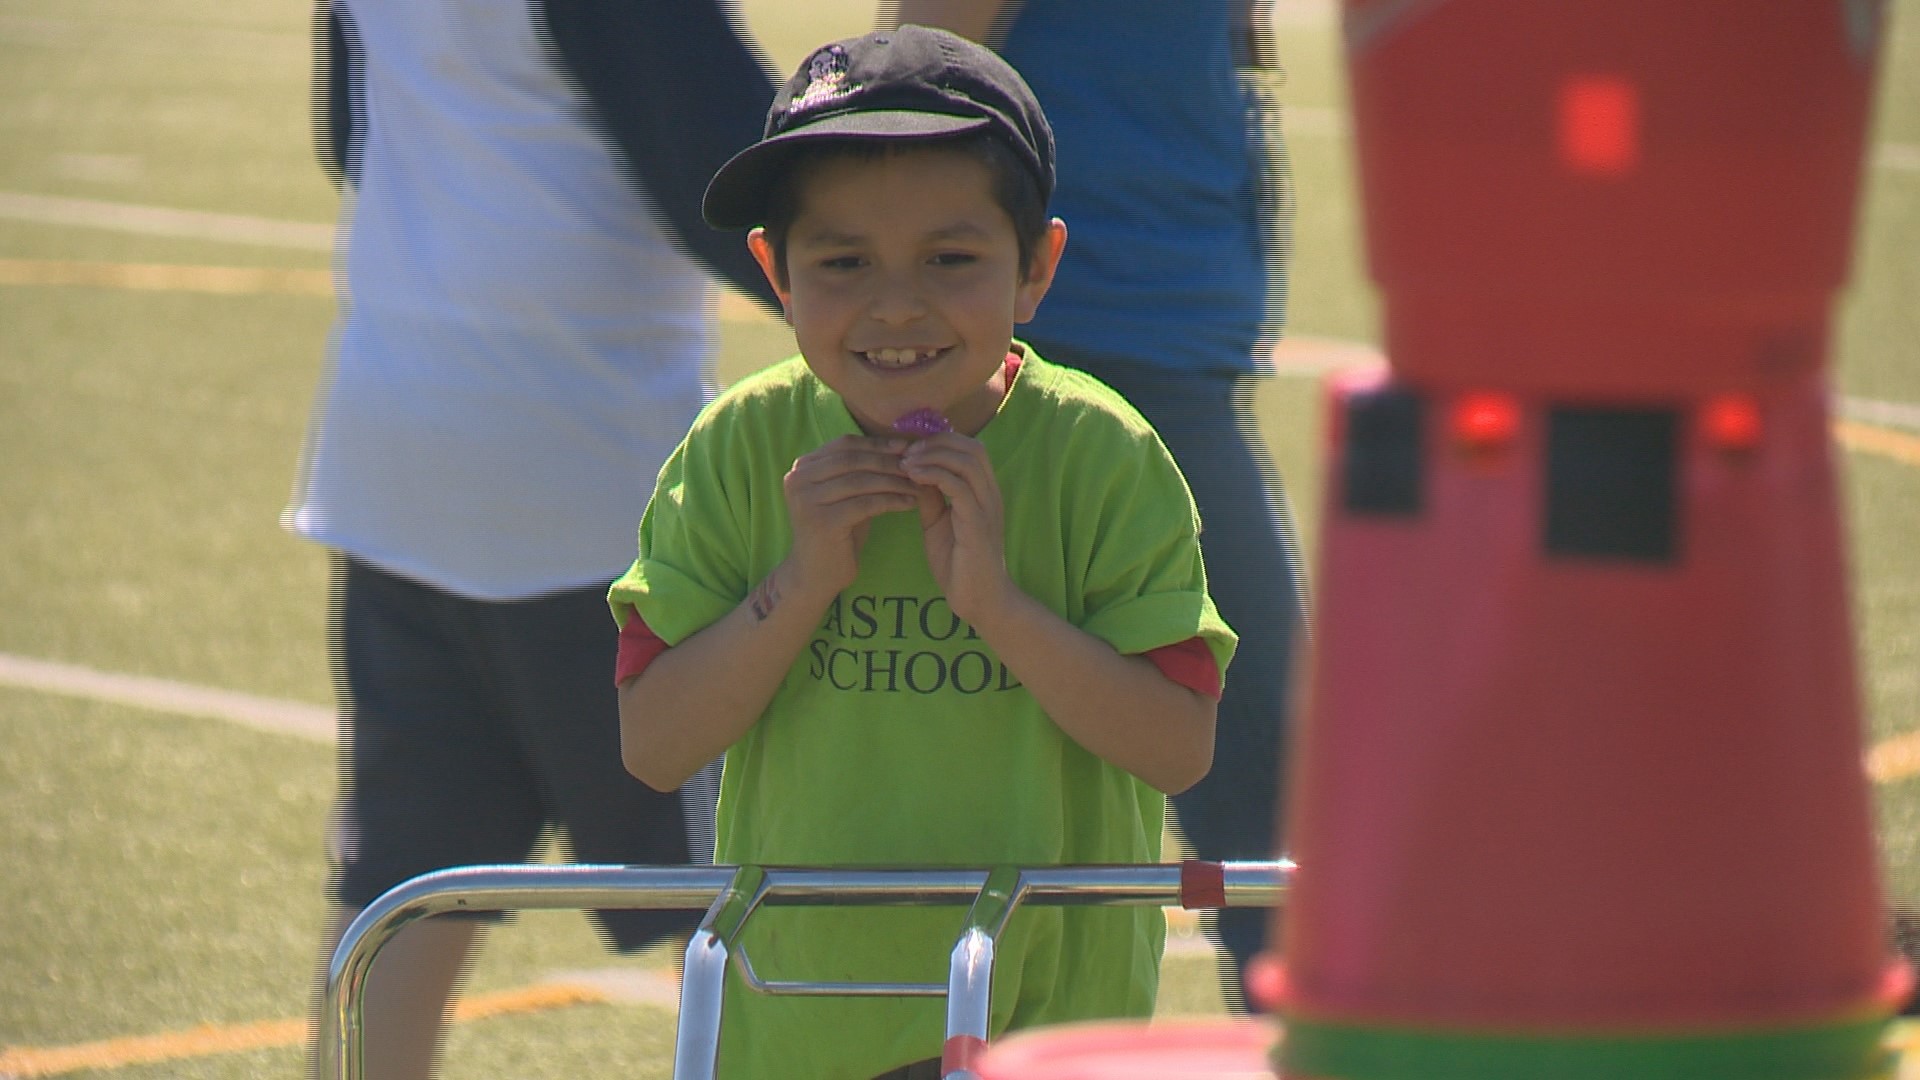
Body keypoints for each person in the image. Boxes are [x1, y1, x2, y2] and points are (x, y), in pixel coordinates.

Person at [611, 26, 1238, 1079]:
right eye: (842, 263)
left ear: (1036, 268)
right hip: (798, 1024)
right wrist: (798, 583)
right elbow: (656, 744)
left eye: (950, 261)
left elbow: (1178, 749)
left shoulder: (1104, 455)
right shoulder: (738, 448)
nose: (896, 305)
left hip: (1040, 1026)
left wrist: (1000, 606)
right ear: (774, 271)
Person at [293, 1, 778, 1076]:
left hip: (395, 447)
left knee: (400, 895)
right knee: (738, 906)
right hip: (590, 475)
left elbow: (350, 136)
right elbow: (736, 176)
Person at [881, 0, 1308, 1011]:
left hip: (1157, 333)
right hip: (1086, 338)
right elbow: (923, 74)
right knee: (1277, 805)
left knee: (1260, 794)